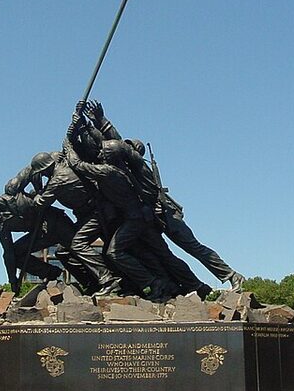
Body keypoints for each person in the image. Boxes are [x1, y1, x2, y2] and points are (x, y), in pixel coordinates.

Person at [84, 100, 246, 292]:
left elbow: (118, 145)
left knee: (193, 247)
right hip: (151, 217)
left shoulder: (140, 167)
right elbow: (115, 142)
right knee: (165, 256)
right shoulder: (126, 168)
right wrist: (97, 121)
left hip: (167, 214)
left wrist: (102, 124)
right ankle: (194, 286)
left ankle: (232, 275)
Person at [0, 188, 75, 293]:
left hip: (58, 223)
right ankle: (51, 273)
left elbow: (43, 202)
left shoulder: (17, 198)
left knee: (76, 252)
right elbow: (9, 253)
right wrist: (13, 280)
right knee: (15, 254)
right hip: (42, 234)